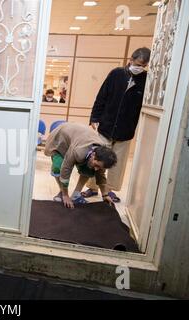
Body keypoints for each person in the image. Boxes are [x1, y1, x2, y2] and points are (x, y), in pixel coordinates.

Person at [81, 47, 151, 202]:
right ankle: (92, 187)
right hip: (105, 126)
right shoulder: (116, 74)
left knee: (117, 164)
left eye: (143, 66)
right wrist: (94, 118)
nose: (140, 68)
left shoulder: (146, 79)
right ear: (131, 60)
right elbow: (101, 97)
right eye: (138, 64)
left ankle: (109, 189)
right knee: (97, 158)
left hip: (125, 131)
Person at [44, 121, 117, 208]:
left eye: (99, 167)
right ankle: (61, 192)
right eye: (97, 165)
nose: (97, 169)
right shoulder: (79, 151)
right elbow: (66, 169)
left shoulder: (102, 155)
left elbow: (100, 174)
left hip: (79, 138)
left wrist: (105, 194)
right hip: (61, 138)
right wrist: (65, 195)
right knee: (58, 167)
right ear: (93, 155)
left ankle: (76, 195)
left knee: (90, 170)